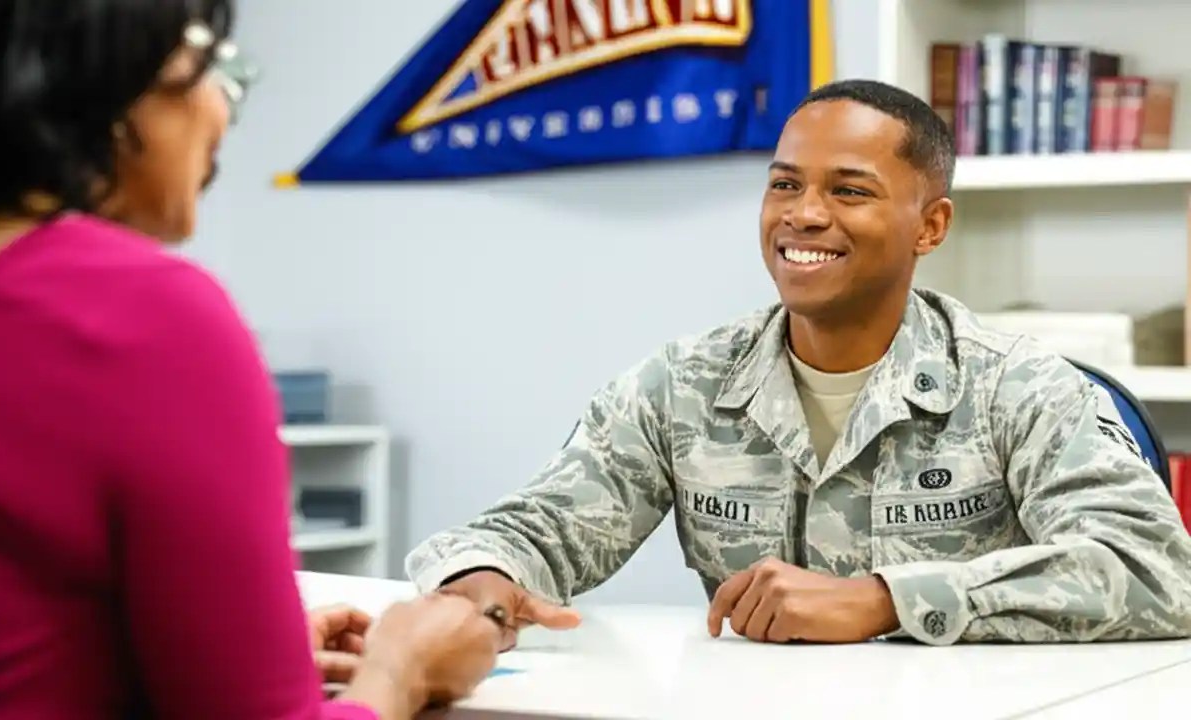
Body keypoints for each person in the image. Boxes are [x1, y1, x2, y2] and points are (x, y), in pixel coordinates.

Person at [407, 79, 1191, 648]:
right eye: (785, 184)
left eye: (850, 190)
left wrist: (886, 601)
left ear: (931, 225)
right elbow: (543, 526)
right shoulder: (684, 384)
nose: (804, 214)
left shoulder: (1018, 386)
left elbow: (1157, 573)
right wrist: (477, 582)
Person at [0, 2, 499, 718]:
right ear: (112, 72)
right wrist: (401, 670)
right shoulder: (142, 318)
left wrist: (249, 659)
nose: (221, 109)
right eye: (209, 64)